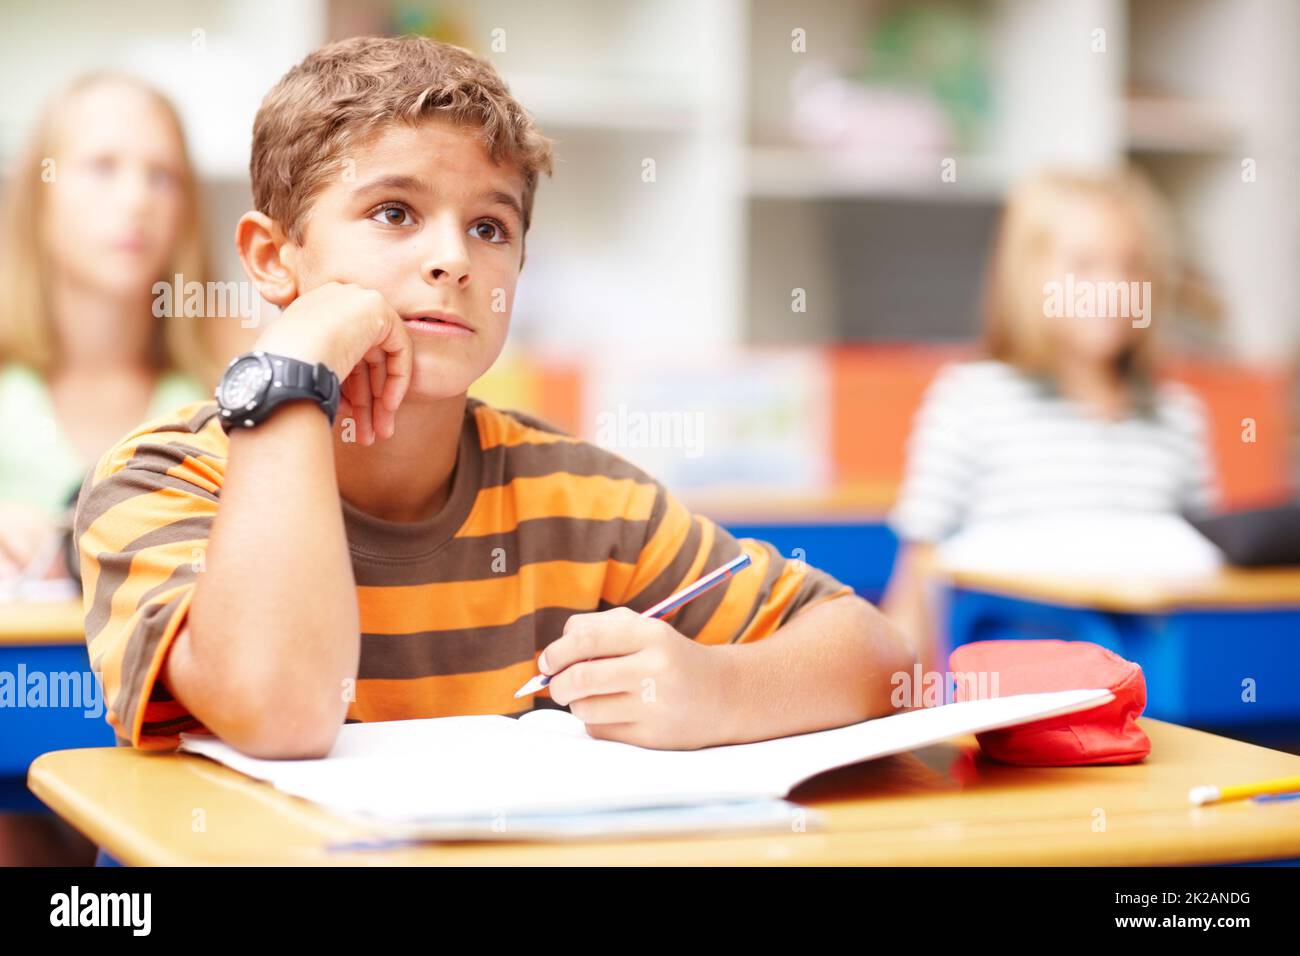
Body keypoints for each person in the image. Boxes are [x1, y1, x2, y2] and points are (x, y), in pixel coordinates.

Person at [74, 36, 915, 760]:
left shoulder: (585, 501)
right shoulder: (158, 483)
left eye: (491, 227)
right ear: (270, 258)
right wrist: (290, 366)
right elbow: (282, 711)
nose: (454, 259)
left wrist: (718, 689)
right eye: (395, 212)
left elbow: (880, 655)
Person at [0, 73, 221, 865]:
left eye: (161, 175)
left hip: (163, 736)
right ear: (40, 195)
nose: (135, 199)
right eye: (101, 167)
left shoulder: (221, 397)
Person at [881, 169, 1219, 672]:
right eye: (1084, 265)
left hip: (1154, 694)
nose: (1113, 288)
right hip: (1018, 700)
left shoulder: (1177, 416)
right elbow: (918, 584)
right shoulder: (970, 402)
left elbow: (1210, 578)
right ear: (1026, 275)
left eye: (1132, 265)